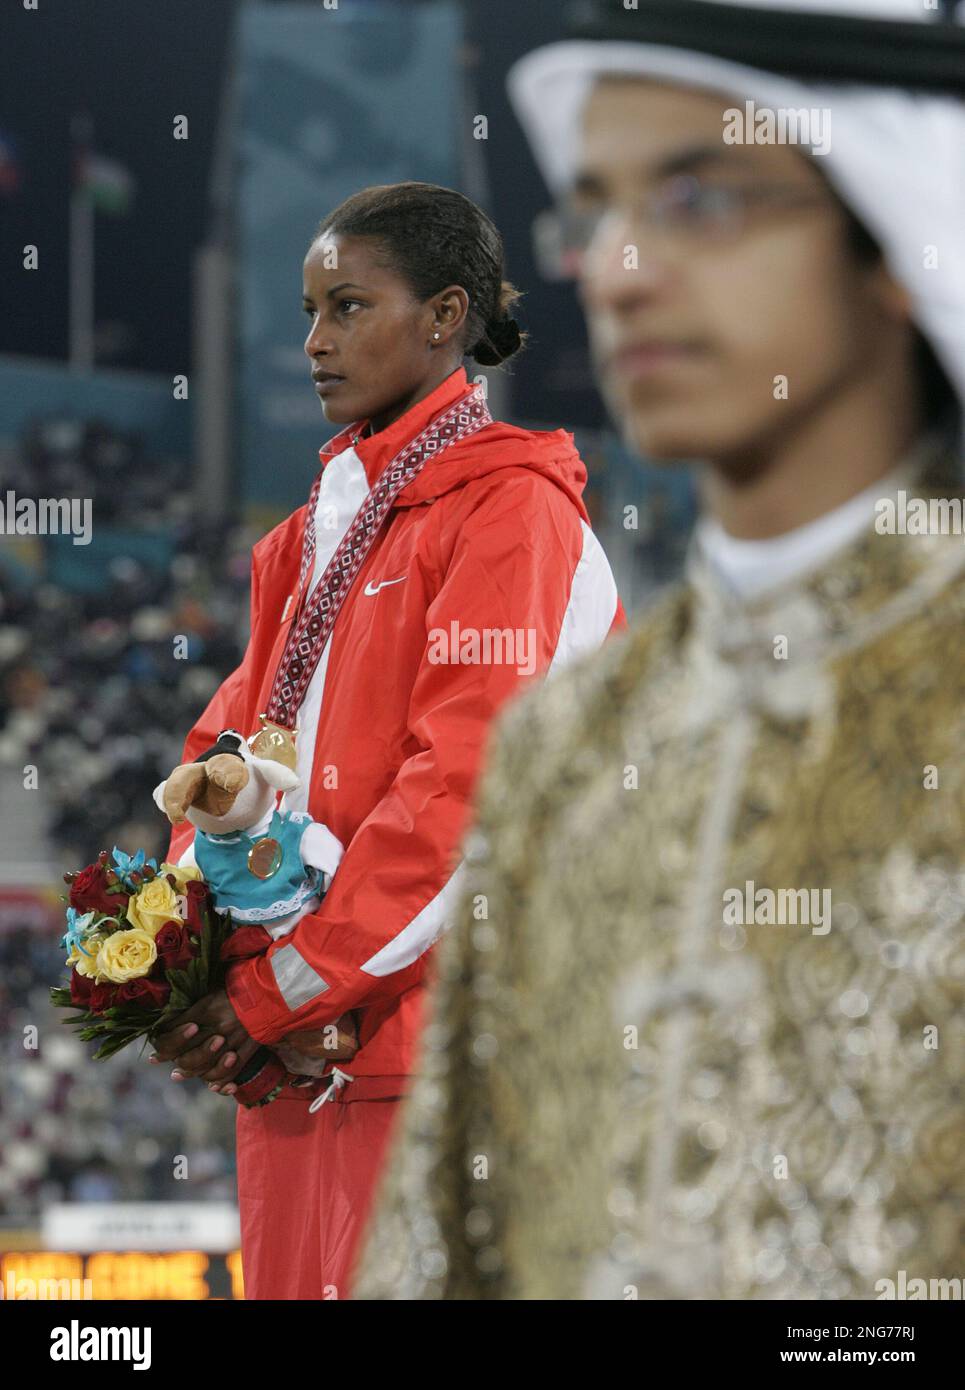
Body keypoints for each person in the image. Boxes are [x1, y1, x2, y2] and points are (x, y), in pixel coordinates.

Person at [354, 0, 965, 1299]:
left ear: (893, 237)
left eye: (702, 200)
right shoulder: (563, 748)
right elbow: (442, 1250)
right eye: (595, 211)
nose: (617, 269)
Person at [148, 181, 624, 1299]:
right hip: (303, 1071)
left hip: (443, 1066)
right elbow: (220, 760)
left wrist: (263, 1001)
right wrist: (182, 966)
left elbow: (460, 804)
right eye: (310, 309)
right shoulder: (306, 540)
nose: (314, 341)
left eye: (349, 307)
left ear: (445, 313)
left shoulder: (511, 511)